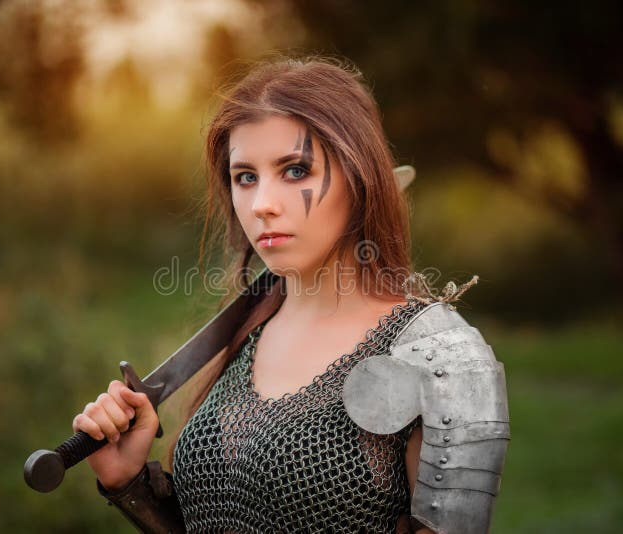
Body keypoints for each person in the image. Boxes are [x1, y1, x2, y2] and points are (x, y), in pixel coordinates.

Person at [71, 55, 508, 534]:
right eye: (246, 177)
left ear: (360, 179)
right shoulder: (248, 330)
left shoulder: (441, 358)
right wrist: (128, 482)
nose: (262, 205)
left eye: (296, 170)